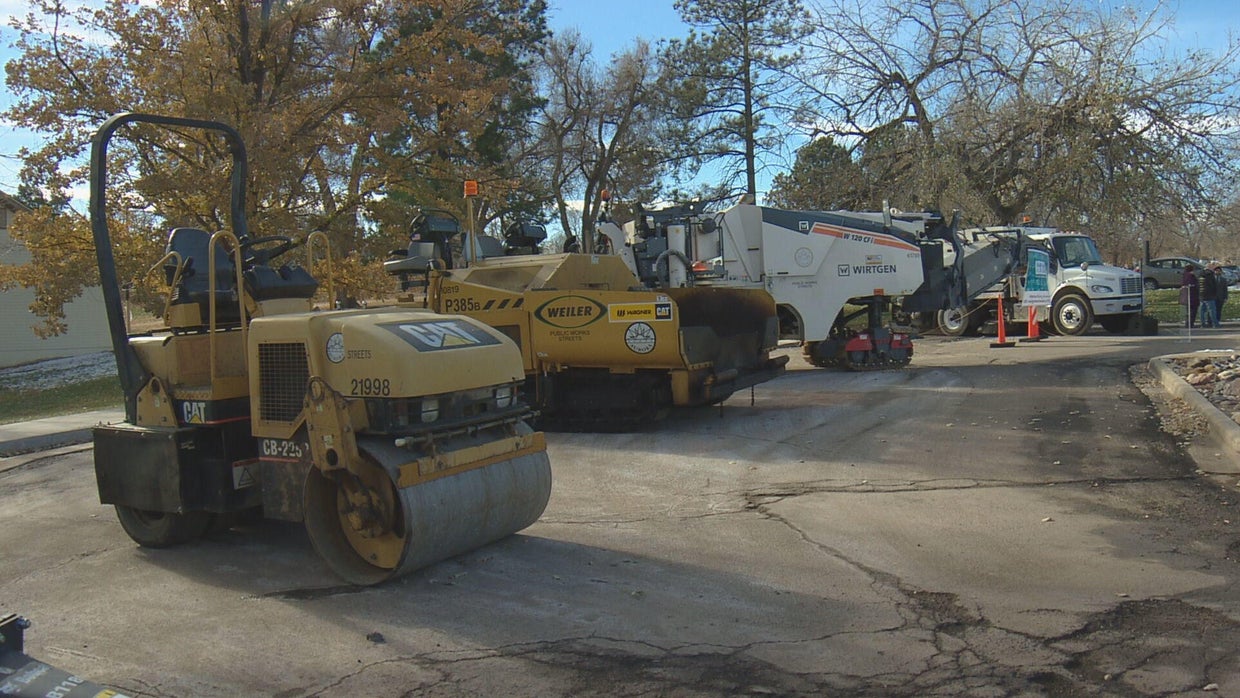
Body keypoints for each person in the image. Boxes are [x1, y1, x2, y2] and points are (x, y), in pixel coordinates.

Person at [1200, 262, 1219, 328]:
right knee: (1212, 310)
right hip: (1209, 295)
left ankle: (1202, 324)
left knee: (1202, 311)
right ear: (1210, 268)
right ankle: (1215, 324)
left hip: (1201, 295)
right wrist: (1215, 293)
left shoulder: (1201, 274)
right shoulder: (1210, 274)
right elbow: (1212, 285)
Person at [1182, 263, 1200, 328]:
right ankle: (1190, 324)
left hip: (1187, 296)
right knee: (1193, 312)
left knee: (1188, 311)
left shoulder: (1184, 275)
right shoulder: (1191, 276)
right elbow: (1194, 286)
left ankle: (1188, 323)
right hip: (1193, 296)